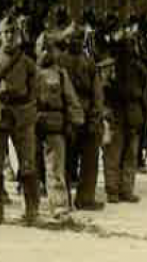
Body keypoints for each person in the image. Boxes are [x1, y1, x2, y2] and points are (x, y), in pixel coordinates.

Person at [0, 15, 40, 225]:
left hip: (22, 116)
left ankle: (31, 210)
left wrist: (29, 109)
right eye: (5, 32)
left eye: (13, 32)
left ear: (19, 35)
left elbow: (36, 90)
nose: (9, 36)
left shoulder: (27, 63)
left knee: (27, 162)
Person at [34, 29, 84, 220]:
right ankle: (30, 205)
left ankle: (59, 206)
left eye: (50, 49)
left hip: (55, 124)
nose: (46, 52)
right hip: (32, 124)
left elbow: (72, 100)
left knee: (56, 168)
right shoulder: (30, 72)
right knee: (29, 166)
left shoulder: (61, 75)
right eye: (42, 48)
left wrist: (74, 122)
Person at [60, 24, 106, 211]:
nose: (75, 42)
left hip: (87, 115)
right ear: (66, 40)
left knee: (90, 159)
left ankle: (85, 198)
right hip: (66, 116)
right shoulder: (59, 62)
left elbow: (97, 92)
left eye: (79, 38)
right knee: (65, 160)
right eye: (72, 38)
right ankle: (64, 199)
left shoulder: (89, 62)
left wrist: (96, 115)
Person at [103, 29, 147, 203]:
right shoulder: (108, 68)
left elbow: (146, 92)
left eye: (131, 44)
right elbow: (103, 92)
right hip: (115, 113)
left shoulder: (139, 68)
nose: (128, 48)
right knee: (113, 154)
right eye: (124, 45)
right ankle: (112, 190)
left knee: (131, 154)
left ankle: (126, 189)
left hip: (133, 113)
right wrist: (106, 112)